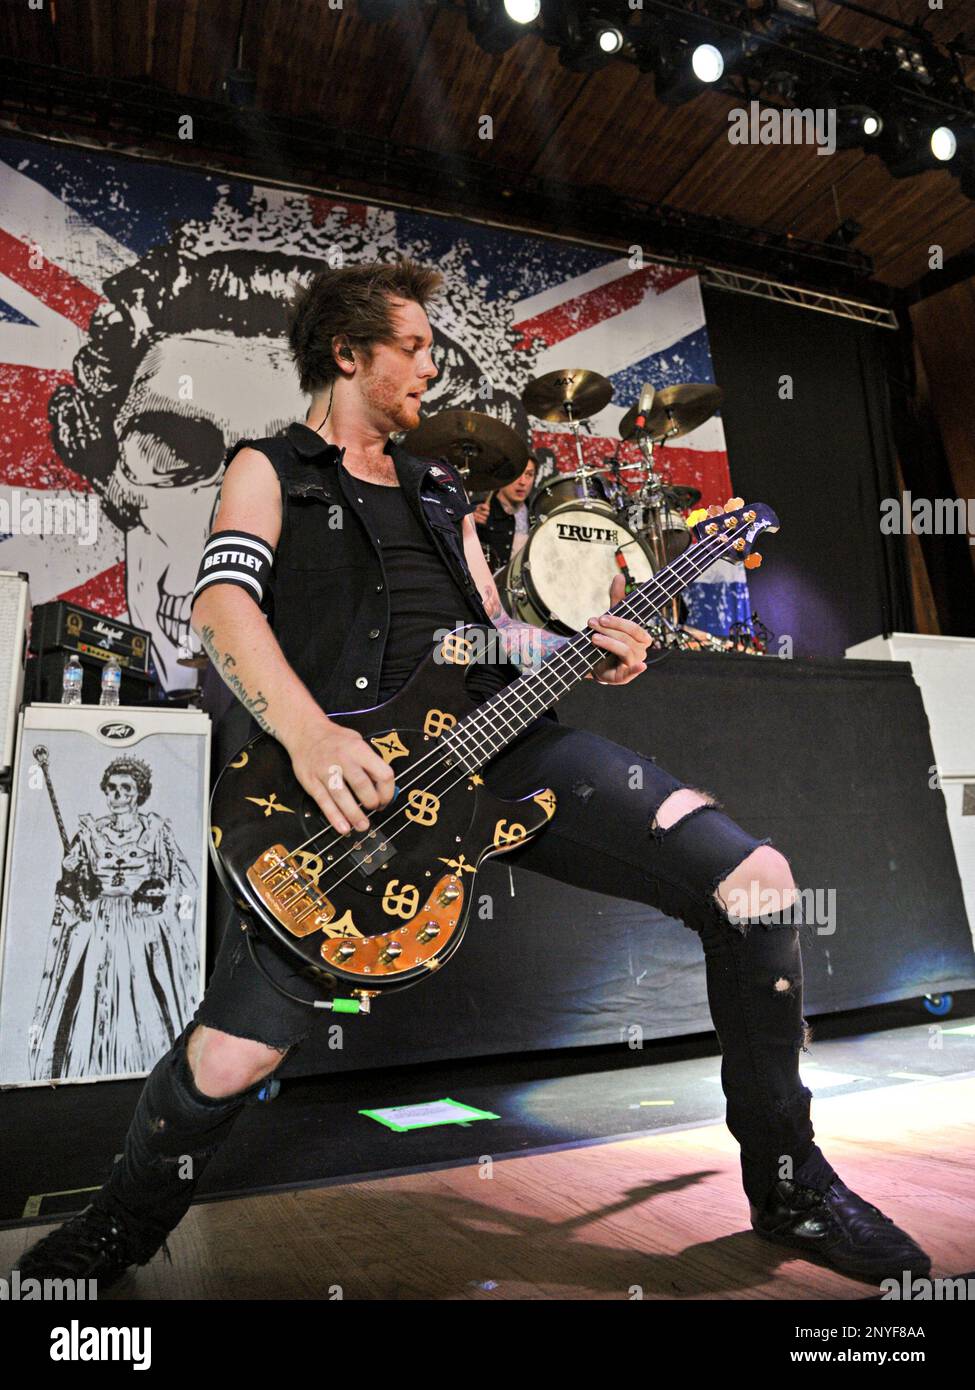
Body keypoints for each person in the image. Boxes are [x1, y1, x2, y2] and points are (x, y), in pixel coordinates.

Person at [14, 257, 930, 1293]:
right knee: (233, 1056)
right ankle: (115, 1230)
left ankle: (790, 1181)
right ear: (348, 353)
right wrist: (313, 739)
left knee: (756, 883)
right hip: (341, 795)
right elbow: (225, 613)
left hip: (498, 753)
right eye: (410, 347)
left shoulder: (442, 490)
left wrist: (592, 646)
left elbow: (488, 638)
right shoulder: (270, 468)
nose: (428, 367)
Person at [473, 454, 536, 573]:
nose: (523, 482)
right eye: (517, 474)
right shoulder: (480, 511)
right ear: (503, 476)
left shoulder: (537, 515)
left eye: (529, 474)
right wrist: (469, 522)